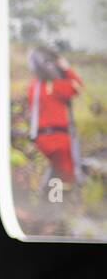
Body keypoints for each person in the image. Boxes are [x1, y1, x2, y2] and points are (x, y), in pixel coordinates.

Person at [26, 45, 84, 183]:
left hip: (39, 139)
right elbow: (78, 86)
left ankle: (47, 198)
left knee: (52, 176)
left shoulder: (34, 86)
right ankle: (57, 202)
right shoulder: (57, 85)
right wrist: (67, 68)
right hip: (58, 139)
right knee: (64, 180)